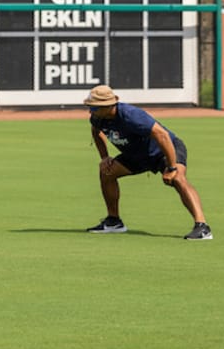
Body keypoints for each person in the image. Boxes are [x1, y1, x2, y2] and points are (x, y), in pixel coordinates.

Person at [83, 84, 211, 240]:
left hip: (164, 150)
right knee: (107, 172)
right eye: (90, 107)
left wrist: (171, 167)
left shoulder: (130, 115)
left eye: (95, 107)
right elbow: (96, 132)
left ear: (108, 106)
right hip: (137, 155)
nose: (91, 111)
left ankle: (202, 227)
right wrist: (104, 157)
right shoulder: (97, 118)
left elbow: (162, 135)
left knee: (178, 178)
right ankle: (114, 221)